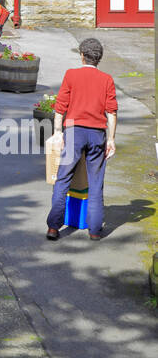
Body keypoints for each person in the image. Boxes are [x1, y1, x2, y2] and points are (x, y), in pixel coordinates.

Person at [47, 38, 117, 241]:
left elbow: (60, 106)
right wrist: (111, 139)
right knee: (96, 183)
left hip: (74, 132)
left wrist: (58, 132)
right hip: (97, 134)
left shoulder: (71, 75)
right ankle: (95, 230)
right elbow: (111, 112)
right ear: (99, 59)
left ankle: (53, 227)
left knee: (63, 179)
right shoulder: (107, 79)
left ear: (82, 55)